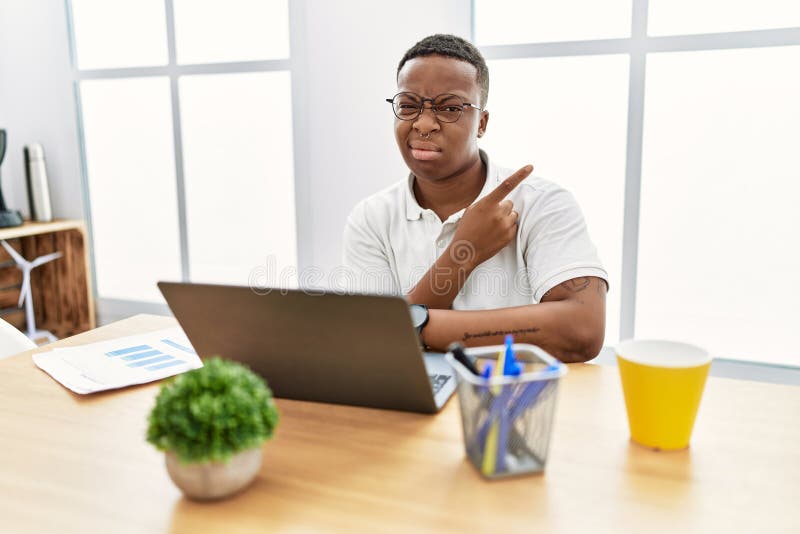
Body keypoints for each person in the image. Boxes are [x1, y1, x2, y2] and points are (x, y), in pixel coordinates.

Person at [342, 34, 607, 362]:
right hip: (413, 402)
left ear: (481, 123)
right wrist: (462, 254)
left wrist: (409, 325)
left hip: (511, 399)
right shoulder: (371, 218)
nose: (423, 124)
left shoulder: (543, 202)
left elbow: (582, 331)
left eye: (450, 108)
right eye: (408, 105)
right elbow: (370, 346)